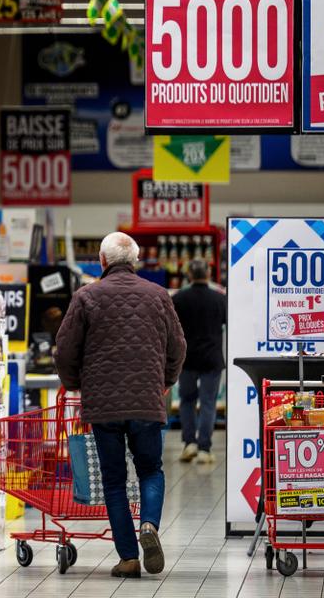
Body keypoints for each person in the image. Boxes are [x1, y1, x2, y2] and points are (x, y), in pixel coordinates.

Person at [55, 232, 187, 579]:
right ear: (136, 261)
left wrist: (74, 384)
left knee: (114, 481)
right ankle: (149, 525)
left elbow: (65, 350)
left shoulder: (86, 296)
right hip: (147, 400)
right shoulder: (159, 296)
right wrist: (166, 382)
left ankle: (128, 557)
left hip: (103, 405)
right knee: (150, 470)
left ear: (102, 261)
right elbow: (178, 346)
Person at [172, 259, 227, 465]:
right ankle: (204, 448)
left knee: (187, 401)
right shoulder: (219, 299)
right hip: (212, 359)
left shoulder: (179, 298)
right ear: (209, 274)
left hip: (186, 359)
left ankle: (189, 444)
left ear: (189, 275)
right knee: (208, 402)